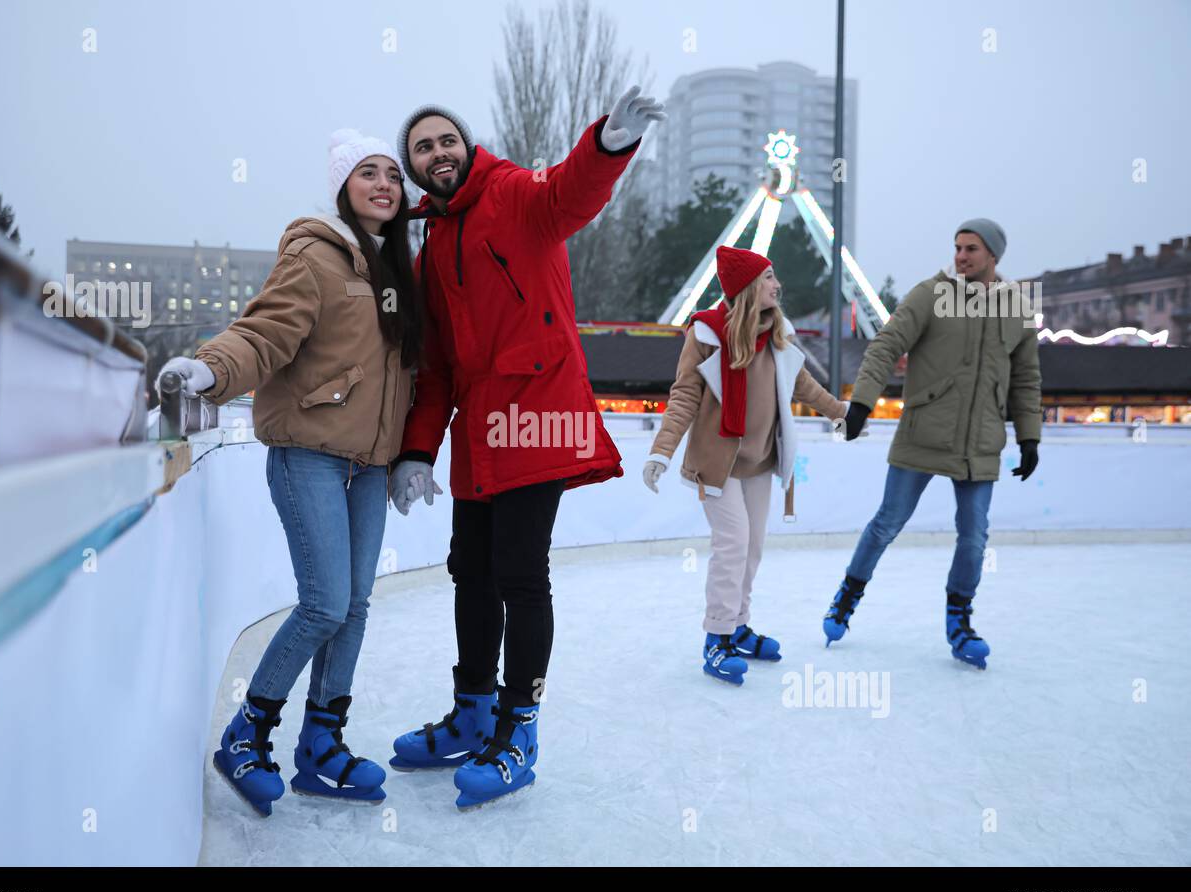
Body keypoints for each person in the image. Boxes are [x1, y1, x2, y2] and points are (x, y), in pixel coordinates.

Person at [385, 87, 666, 809]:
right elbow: (440, 367)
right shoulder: (431, 245)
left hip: (539, 412)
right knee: (468, 569)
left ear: (467, 147)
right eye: (423, 147)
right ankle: (472, 712)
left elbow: (572, 193)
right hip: (480, 428)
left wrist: (607, 142)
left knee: (518, 572)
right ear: (414, 168)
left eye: (447, 140)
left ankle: (519, 730)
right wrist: (418, 450)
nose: (438, 153)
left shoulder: (513, 191)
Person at [155, 129, 423, 814]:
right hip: (307, 452)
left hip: (368, 466)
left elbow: (405, 375)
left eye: (393, 175)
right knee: (324, 603)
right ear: (343, 185)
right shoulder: (314, 257)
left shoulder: (396, 273)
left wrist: (407, 454)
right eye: (369, 173)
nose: (385, 185)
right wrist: (210, 369)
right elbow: (264, 334)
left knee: (356, 608)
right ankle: (248, 734)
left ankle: (322, 748)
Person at [825, 218, 1042, 669]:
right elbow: (885, 345)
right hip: (923, 432)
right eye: (958, 247)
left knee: (975, 537)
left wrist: (1029, 436)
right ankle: (847, 596)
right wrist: (862, 403)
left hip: (980, 440)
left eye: (972, 249)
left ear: (993, 256)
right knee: (887, 523)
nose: (961, 256)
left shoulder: (1016, 307)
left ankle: (959, 622)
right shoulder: (931, 294)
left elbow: (1025, 378)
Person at [643, 247, 848, 685]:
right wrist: (662, 451)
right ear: (749, 286)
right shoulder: (706, 335)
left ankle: (737, 625)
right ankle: (716, 638)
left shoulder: (776, 334)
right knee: (733, 544)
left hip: (759, 461)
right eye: (769, 277)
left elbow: (803, 384)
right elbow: (684, 396)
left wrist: (839, 411)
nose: (778, 285)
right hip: (716, 464)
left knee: (752, 548)